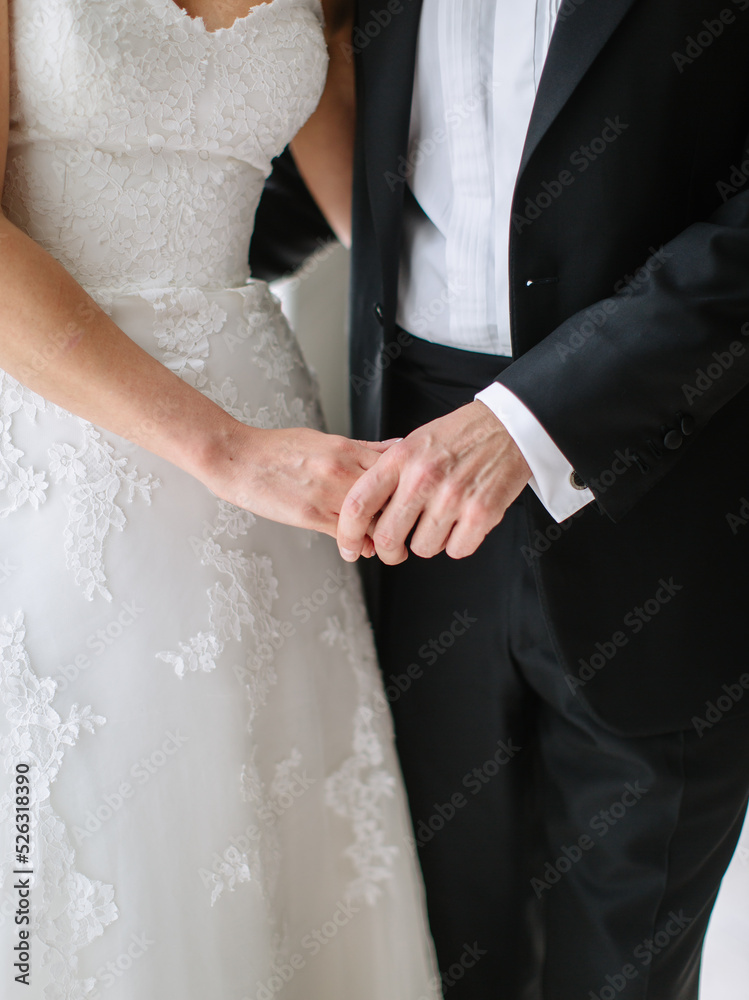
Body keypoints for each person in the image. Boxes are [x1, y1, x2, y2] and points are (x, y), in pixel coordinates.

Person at [251, 1, 749, 997]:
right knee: (438, 952)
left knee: (622, 969)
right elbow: (331, 162)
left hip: (658, 498)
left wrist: (529, 421)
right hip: (402, 506)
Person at [0, 1, 438, 997]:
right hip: (64, 436)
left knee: (263, 839)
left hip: (266, 463)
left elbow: (381, 220)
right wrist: (226, 450)